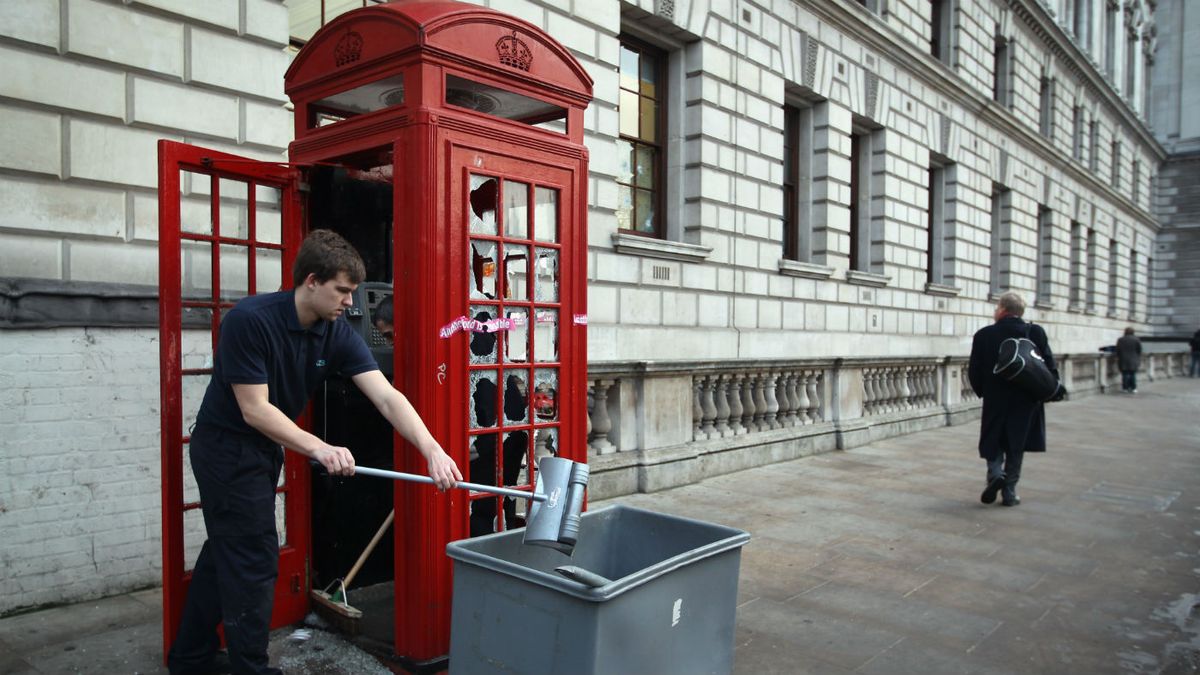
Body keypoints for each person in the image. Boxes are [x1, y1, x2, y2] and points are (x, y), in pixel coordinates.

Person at [167, 230, 461, 675]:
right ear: (310, 281)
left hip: (265, 450)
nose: (350, 301)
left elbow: (387, 397)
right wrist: (320, 448)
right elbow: (254, 409)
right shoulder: (250, 320)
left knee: (229, 549)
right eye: (342, 290)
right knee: (254, 559)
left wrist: (432, 450)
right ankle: (253, 668)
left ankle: (189, 657)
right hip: (226, 447)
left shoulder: (335, 333)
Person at [968, 292, 1058, 507]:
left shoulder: (984, 335)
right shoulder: (1035, 332)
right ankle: (1009, 491)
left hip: (996, 398)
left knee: (993, 439)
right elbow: (1048, 365)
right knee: (1016, 445)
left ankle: (995, 473)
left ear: (1002, 309)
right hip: (1026, 399)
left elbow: (974, 371)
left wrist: (984, 391)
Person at [1115, 327, 1143, 393]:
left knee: (1125, 374)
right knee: (1132, 374)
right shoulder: (1136, 339)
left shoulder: (1120, 339)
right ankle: (1133, 388)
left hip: (1123, 359)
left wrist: (1119, 357)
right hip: (1134, 359)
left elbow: (1118, 350)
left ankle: (1125, 388)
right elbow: (1139, 350)